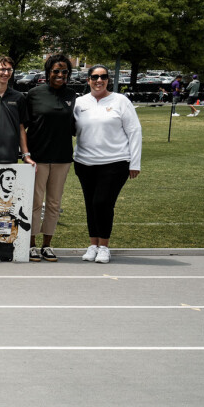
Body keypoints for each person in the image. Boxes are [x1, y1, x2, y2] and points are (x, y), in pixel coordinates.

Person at [74, 65, 142, 264]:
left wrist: (134, 163)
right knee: (90, 205)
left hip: (115, 162)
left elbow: (134, 131)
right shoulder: (79, 103)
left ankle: (104, 246)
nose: (99, 80)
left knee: (102, 203)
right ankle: (93, 245)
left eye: (103, 77)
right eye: (95, 77)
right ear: (88, 80)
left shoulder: (121, 101)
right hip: (84, 162)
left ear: (108, 80)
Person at [24, 54, 77, 262]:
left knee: (54, 203)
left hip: (62, 158)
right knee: (36, 202)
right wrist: (26, 153)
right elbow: (23, 126)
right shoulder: (34, 94)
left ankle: (47, 245)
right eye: (56, 71)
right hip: (37, 158)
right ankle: (31, 245)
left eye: (64, 71)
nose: (60, 75)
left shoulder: (72, 95)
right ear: (48, 73)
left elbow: (76, 126)